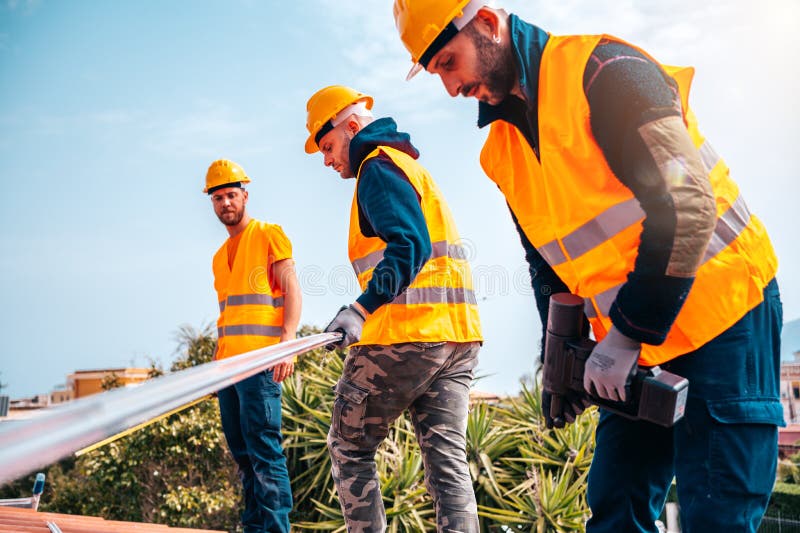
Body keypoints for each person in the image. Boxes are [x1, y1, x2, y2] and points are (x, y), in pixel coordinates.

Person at [392, 2, 783, 532]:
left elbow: (688, 203)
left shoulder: (607, 72)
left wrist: (624, 336)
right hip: (632, 349)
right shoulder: (502, 151)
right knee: (616, 508)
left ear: (486, 22)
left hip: (724, 318)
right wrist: (562, 364)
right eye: (436, 71)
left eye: (448, 62)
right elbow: (547, 268)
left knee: (718, 513)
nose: (450, 88)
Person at [304, 85, 483, 532]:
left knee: (349, 446)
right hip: (459, 338)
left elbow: (410, 246)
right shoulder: (407, 165)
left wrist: (360, 309)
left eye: (327, 147)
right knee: (447, 461)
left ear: (351, 127)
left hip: (407, 337)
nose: (327, 160)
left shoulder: (377, 168)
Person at [204, 159, 301, 533]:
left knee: (264, 450)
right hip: (228, 367)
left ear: (245, 196)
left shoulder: (268, 234)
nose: (225, 203)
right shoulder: (218, 257)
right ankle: (255, 527)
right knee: (242, 454)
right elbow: (227, 313)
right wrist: (216, 358)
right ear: (211, 204)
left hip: (261, 364)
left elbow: (292, 288)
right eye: (218, 198)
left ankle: (277, 528)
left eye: (231, 195)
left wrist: (288, 341)